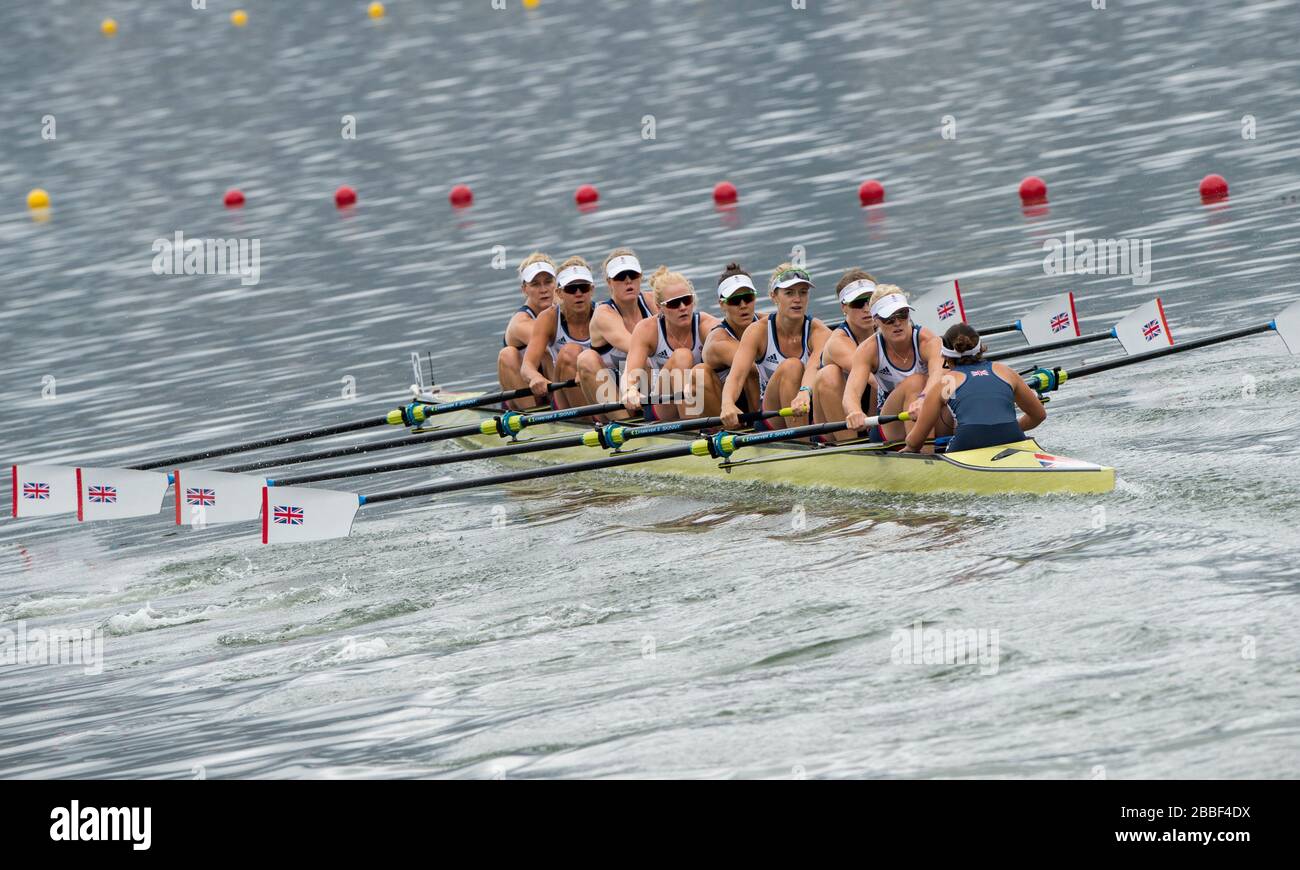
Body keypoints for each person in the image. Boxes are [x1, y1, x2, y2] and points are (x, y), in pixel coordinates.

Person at [903, 323, 1046, 453]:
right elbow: (1039, 415)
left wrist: (909, 445)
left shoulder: (946, 381)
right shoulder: (1005, 371)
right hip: (1013, 436)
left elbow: (916, 442)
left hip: (968, 441)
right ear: (981, 349)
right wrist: (1006, 429)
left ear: (945, 356)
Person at [720, 263, 831, 430]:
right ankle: (802, 442)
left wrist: (804, 392)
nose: (797, 299)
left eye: (803, 292)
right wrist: (727, 403)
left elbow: (813, 366)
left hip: (809, 406)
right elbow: (736, 377)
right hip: (772, 416)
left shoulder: (819, 331)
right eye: (789, 293)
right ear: (774, 296)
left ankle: (807, 439)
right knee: (792, 366)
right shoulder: (757, 331)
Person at [842, 285, 946, 443]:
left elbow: (938, 376)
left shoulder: (928, 341)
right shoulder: (868, 350)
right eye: (888, 318)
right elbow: (851, 394)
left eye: (902, 314)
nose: (897, 322)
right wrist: (854, 411)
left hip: (927, 410)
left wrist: (923, 399)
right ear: (876, 320)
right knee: (915, 382)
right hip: (891, 424)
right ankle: (924, 454)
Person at [621, 267, 720, 421]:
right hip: (663, 405)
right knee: (682, 356)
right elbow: (631, 373)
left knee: (703, 370)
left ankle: (718, 425)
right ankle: (692, 427)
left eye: (687, 300)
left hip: (701, 399)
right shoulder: (647, 329)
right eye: (674, 303)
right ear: (659, 307)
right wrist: (630, 390)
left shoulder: (707, 325)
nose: (683, 307)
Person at [577, 248, 658, 412]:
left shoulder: (652, 301)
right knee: (586, 358)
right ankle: (624, 422)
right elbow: (636, 348)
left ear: (640, 277)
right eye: (620, 277)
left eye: (633, 275)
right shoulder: (604, 314)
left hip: (647, 383)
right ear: (609, 282)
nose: (628, 281)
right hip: (611, 393)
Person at [520, 256, 596, 410]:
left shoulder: (604, 313)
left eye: (583, 287)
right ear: (560, 293)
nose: (578, 293)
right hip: (564, 395)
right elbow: (527, 366)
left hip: (600, 387)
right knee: (570, 352)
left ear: (591, 290)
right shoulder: (549, 318)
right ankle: (586, 421)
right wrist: (535, 377)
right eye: (571, 289)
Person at [812, 269, 879, 440]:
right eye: (858, 303)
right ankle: (849, 445)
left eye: (870, 301)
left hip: (870, 416)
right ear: (844, 307)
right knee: (829, 373)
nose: (866, 309)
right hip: (832, 428)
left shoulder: (890, 328)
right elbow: (873, 379)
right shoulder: (838, 341)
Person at [689, 262, 761, 418]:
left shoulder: (768, 322)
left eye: (748, 298)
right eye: (735, 301)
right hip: (726, 406)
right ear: (722, 304)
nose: (743, 305)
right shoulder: (718, 341)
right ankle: (737, 427)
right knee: (699, 372)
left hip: (764, 396)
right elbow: (754, 367)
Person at [498, 252, 557, 409]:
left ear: (556, 283)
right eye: (535, 284)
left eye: (548, 282)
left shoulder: (564, 308)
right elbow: (550, 345)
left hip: (551, 388)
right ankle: (531, 413)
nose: (543, 290)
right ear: (524, 289)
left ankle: (564, 405)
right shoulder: (520, 322)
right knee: (508, 354)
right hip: (525, 398)